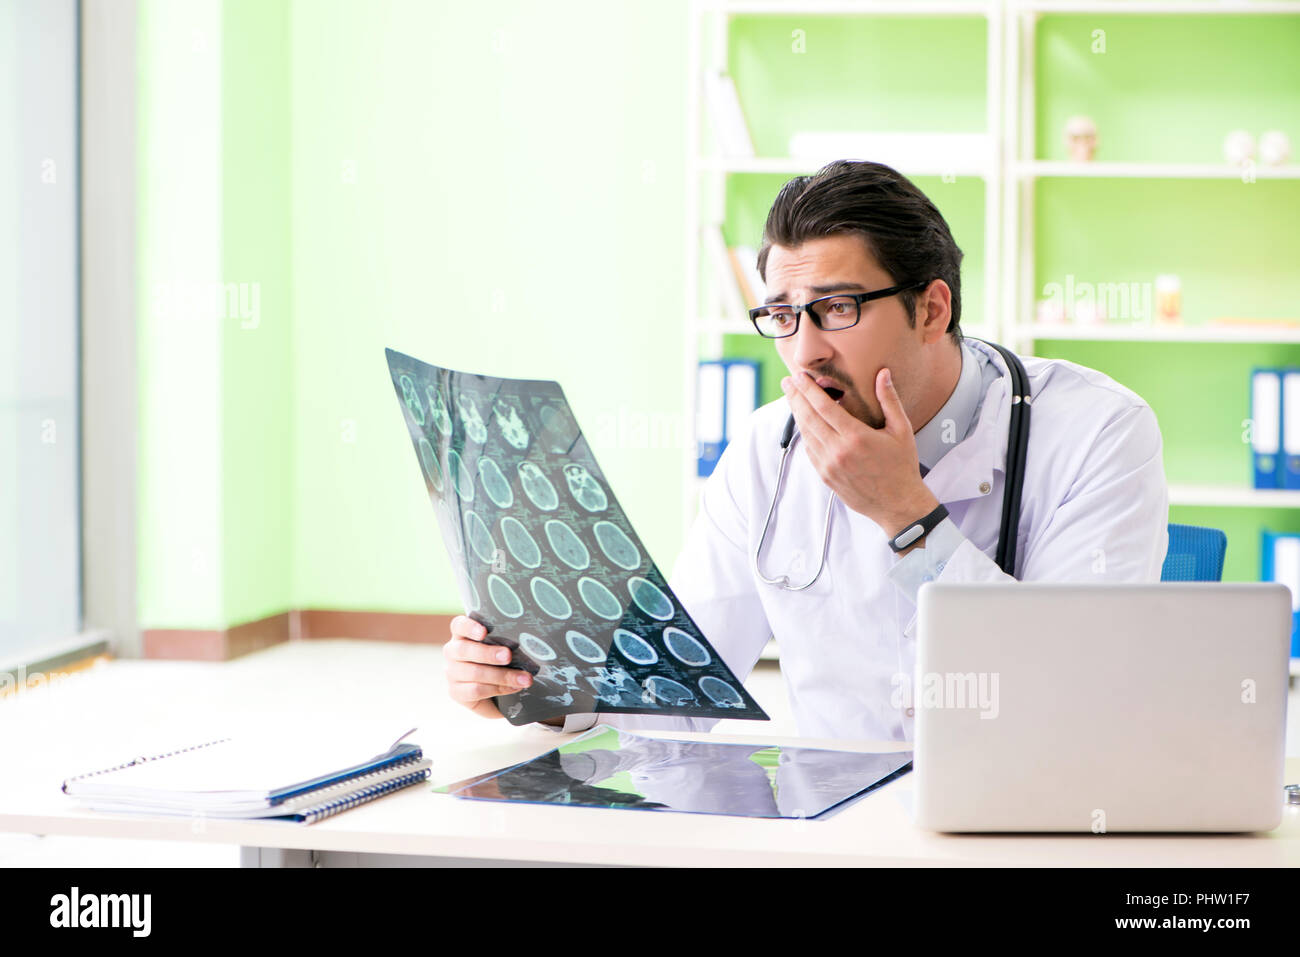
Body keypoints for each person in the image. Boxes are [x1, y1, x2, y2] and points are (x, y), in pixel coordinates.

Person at [442, 160, 1169, 740]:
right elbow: (679, 692)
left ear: (933, 308)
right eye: (784, 315)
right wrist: (541, 691)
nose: (806, 350)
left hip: (1025, 824)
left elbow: (1076, 696)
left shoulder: (1096, 434)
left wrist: (907, 516)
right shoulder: (765, 451)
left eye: (838, 309)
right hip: (833, 834)